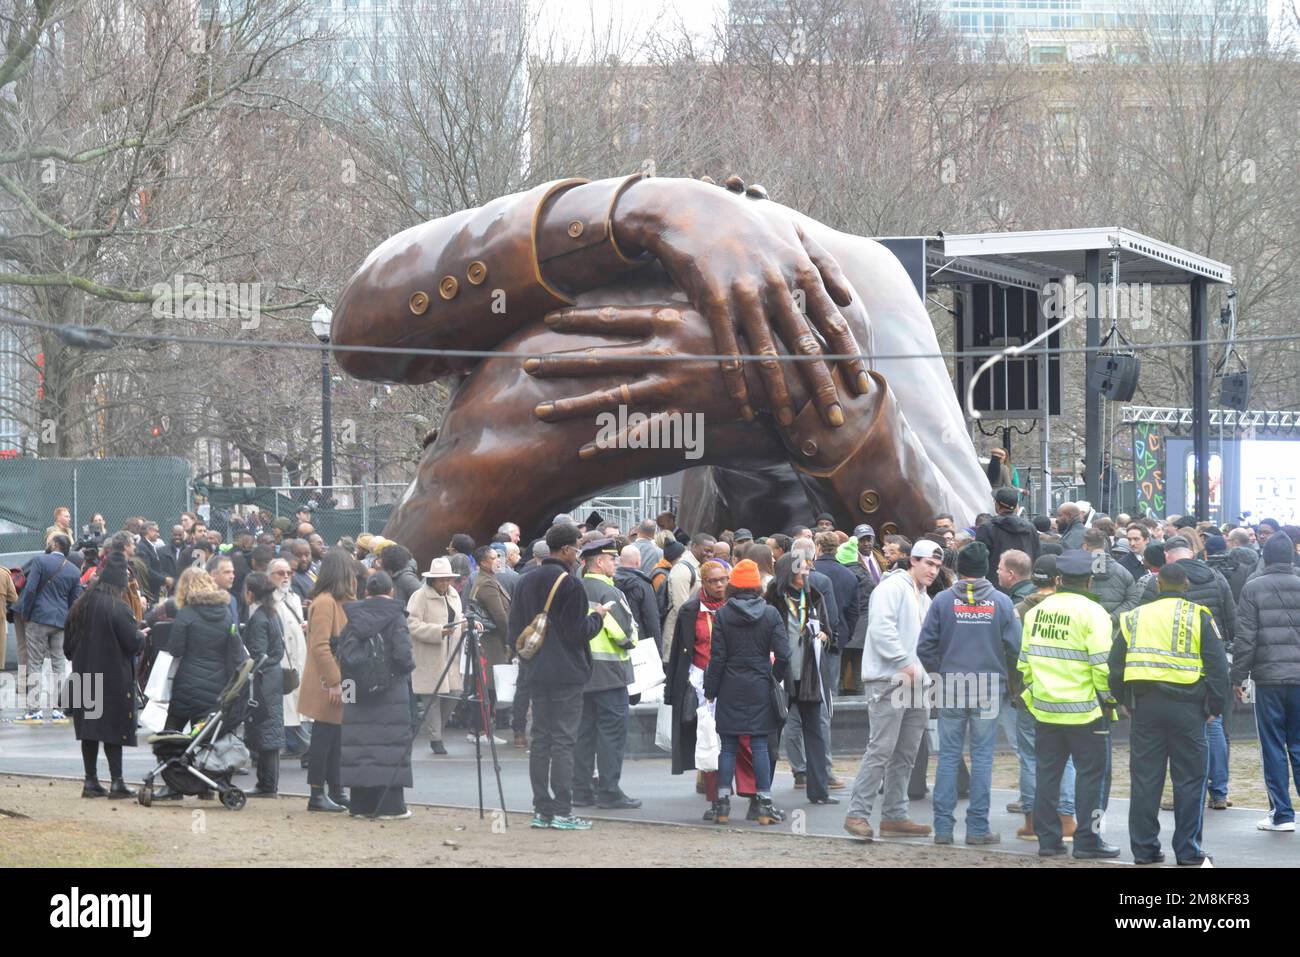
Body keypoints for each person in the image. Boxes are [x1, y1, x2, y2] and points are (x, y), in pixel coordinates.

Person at [1111, 563, 1230, 864]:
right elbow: (1217, 668)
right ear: (1186, 585)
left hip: (1146, 708)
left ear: (1159, 585)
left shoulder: (1134, 617)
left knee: (1145, 780)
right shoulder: (1199, 616)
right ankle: (1189, 853)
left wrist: (1122, 698)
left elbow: (1115, 665)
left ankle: (1145, 850)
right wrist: (1215, 707)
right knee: (1190, 780)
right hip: (1189, 709)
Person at [506, 522, 611, 830]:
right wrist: (597, 618)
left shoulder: (525, 581)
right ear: (565, 549)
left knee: (540, 740)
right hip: (566, 673)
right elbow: (577, 633)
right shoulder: (571, 584)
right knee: (564, 740)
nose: (579, 554)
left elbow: (515, 631)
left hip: (535, 670)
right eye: (577, 548)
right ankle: (563, 810)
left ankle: (542, 809)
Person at [1019, 549, 1121, 859]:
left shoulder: (1037, 612)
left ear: (1060, 579)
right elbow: (1102, 667)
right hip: (1086, 712)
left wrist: (1039, 693)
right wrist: (1111, 701)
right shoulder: (1094, 614)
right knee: (1094, 779)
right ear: (1089, 580)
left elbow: (1025, 664)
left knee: (1047, 775)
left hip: (1046, 709)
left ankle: (1048, 841)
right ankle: (1089, 841)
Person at [918, 542, 1021, 844]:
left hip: (951, 684)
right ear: (986, 568)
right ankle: (977, 828)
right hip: (988, 687)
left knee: (948, 757)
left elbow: (924, 647)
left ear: (959, 568)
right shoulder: (1002, 602)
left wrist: (942, 672)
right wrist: (1009, 681)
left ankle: (943, 829)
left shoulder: (941, 601)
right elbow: (1017, 648)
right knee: (982, 758)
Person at [843, 540, 944, 840]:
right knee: (882, 748)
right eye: (929, 563)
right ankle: (857, 813)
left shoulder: (923, 597)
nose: (933, 571)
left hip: (914, 681)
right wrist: (905, 662)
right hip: (889, 679)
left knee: (906, 751)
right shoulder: (891, 588)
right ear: (912, 560)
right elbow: (881, 628)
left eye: (938, 566)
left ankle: (894, 814)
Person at [667, 559, 772, 820]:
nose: (720, 585)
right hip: (704, 683)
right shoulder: (691, 610)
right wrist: (675, 689)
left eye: (724, 579)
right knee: (711, 743)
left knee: (746, 742)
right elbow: (682, 649)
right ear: (703, 583)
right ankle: (717, 800)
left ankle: (753, 798)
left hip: (735, 681)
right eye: (714, 581)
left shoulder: (738, 608)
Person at [1139, 534, 1237, 809]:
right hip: (1211, 659)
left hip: (1171, 666)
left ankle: (1185, 792)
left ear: (1169, 557)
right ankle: (1219, 791)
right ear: (1192, 552)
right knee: (1214, 724)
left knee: (1180, 735)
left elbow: (1144, 620)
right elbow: (1231, 619)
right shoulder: (1217, 578)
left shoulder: (1158, 583)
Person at [703, 559, 790, 825]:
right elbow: (785, 655)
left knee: (727, 745)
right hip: (760, 685)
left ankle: (721, 805)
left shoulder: (724, 615)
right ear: (756, 586)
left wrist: (711, 690)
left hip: (730, 685)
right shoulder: (771, 614)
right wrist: (773, 678)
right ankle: (764, 804)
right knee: (760, 745)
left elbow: (716, 658)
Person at [1232, 532, 1300, 832]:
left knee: (1272, 745)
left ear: (1266, 556)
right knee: (1298, 744)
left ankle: (1282, 813)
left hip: (1269, 677)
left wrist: (1239, 676)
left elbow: (1246, 637)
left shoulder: (1253, 588)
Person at [337, 571, 417, 819]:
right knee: (390, 745)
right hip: (390, 690)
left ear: (366, 592)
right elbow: (403, 657)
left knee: (357, 743)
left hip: (354, 689)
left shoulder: (353, 615)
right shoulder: (396, 617)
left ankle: (360, 805)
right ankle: (390, 806)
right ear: (391, 592)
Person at [63, 553, 144, 799]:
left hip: (83, 676)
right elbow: (133, 644)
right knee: (113, 730)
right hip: (111, 679)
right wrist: (142, 635)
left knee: (89, 730)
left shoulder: (80, 606)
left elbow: (67, 649)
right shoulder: (118, 608)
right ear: (118, 586)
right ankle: (117, 782)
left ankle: (91, 781)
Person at [571, 538, 640, 809]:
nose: (616, 564)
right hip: (610, 676)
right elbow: (625, 635)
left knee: (583, 734)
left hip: (581, 675)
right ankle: (609, 791)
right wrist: (632, 637)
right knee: (611, 735)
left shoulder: (574, 589)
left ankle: (581, 790)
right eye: (612, 559)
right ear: (599, 562)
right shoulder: (608, 592)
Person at [768, 553, 835, 805]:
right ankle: (761, 792)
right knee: (772, 734)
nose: (806, 574)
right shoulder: (773, 598)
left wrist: (824, 637)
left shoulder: (815, 596)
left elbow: (829, 630)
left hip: (808, 675)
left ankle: (819, 791)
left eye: (807, 570)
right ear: (788, 572)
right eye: (801, 571)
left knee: (815, 732)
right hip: (781, 676)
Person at [300, 549, 357, 812]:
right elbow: (320, 646)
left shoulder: (337, 601)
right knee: (324, 739)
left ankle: (336, 789)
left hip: (339, 678)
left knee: (338, 737)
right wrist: (335, 682)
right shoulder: (325, 602)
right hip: (329, 679)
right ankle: (317, 794)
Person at [16, 534, 84, 724]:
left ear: (55, 544)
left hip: (38, 618)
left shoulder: (40, 561)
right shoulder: (73, 569)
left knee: (35, 663)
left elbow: (30, 590)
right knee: (58, 665)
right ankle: (58, 710)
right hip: (60, 621)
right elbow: (75, 600)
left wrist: (26, 614)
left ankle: (34, 710)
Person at [406, 557, 465, 754]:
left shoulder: (454, 594)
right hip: (429, 653)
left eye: (448, 579)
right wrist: (438, 631)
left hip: (451, 652)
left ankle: (437, 730)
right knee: (432, 697)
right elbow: (412, 624)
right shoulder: (419, 596)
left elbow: (458, 618)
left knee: (455, 692)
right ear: (432, 580)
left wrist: (466, 625)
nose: (445, 583)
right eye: (441, 580)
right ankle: (435, 737)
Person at [241, 572, 286, 797]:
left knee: (265, 731)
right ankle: (269, 783)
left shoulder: (258, 618)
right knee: (271, 730)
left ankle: (266, 784)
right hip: (274, 678)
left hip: (264, 679)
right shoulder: (272, 614)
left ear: (251, 593)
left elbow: (258, 655)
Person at [465, 545, 511, 742]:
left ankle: (479, 730)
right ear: (483, 562)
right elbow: (500, 615)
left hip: (491, 640)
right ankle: (481, 731)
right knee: (487, 687)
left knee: (486, 686)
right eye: (494, 558)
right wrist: (510, 640)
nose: (498, 561)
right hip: (491, 642)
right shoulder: (487, 583)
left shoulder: (487, 580)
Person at [269, 558, 310, 760]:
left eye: (288, 573)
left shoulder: (294, 597)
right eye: (280, 573)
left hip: (298, 658)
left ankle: (299, 746)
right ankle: (296, 746)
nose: (285, 576)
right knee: (285, 706)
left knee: (296, 704)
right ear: (271, 576)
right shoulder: (267, 600)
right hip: (282, 660)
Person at [662, 533, 712, 664]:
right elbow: (681, 608)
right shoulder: (682, 569)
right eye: (706, 550)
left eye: (712, 551)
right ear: (694, 546)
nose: (710, 554)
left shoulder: (698, 568)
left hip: (692, 632)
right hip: (678, 633)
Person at [976, 487, 1040, 588]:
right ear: (1016, 506)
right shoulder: (1030, 528)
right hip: (1025, 588)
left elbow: (979, 561)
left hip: (995, 588)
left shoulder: (987, 528)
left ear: (997, 505)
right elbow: (1037, 556)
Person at [1082, 527, 1142, 622]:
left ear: (1085, 546)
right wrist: (1111, 618)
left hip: (1082, 628)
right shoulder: (1123, 572)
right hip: (1113, 631)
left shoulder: (1074, 571)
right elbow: (1133, 600)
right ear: (1105, 545)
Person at [615, 544, 662, 659]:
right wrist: (657, 651)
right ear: (637, 562)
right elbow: (651, 618)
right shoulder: (643, 584)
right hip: (639, 640)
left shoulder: (610, 581)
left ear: (620, 560)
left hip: (615, 638)